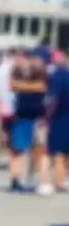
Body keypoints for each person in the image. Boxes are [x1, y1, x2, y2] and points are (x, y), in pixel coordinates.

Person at [8, 50, 47, 192]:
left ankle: (33, 178)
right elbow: (12, 85)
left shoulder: (42, 72)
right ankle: (16, 179)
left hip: (38, 115)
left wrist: (23, 86)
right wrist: (31, 87)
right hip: (22, 114)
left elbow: (42, 87)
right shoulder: (17, 70)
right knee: (17, 149)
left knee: (38, 148)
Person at [41, 49, 69, 193]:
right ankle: (61, 180)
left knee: (55, 152)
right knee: (64, 153)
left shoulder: (57, 76)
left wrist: (46, 116)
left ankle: (51, 182)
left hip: (59, 118)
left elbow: (52, 99)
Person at [0, 48, 16, 169]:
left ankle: (1, 155)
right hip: (12, 102)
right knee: (10, 129)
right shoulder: (14, 68)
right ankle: (9, 154)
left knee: (2, 128)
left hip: (0, 101)